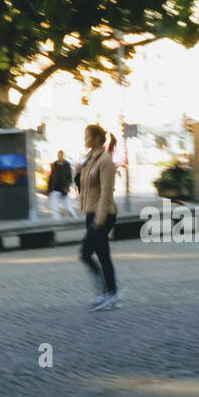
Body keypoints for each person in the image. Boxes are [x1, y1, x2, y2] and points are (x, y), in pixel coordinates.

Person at [78, 124, 119, 310]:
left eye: (87, 136)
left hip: (103, 214)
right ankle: (111, 294)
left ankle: (107, 293)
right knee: (103, 256)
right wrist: (77, 173)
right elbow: (84, 189)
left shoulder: (105, 161)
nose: (85, 139)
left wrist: (99, 220)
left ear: (95, 139)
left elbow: (106, 193)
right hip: (91, 212)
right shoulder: (89, 161)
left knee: (85, 253)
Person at [46, 150, 76, 217]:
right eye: (58, 155)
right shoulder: (54, 164)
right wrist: (48, 189)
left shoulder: (67, 165)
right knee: (54, 208)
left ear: (63, 155)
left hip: (64, 190)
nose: (59, 156)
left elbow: (70, 178)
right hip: (55, 189)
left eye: (61, 155)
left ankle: (75, 218)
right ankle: (56, 223)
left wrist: (67, 187)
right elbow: (51, 177)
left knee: (68, 207)